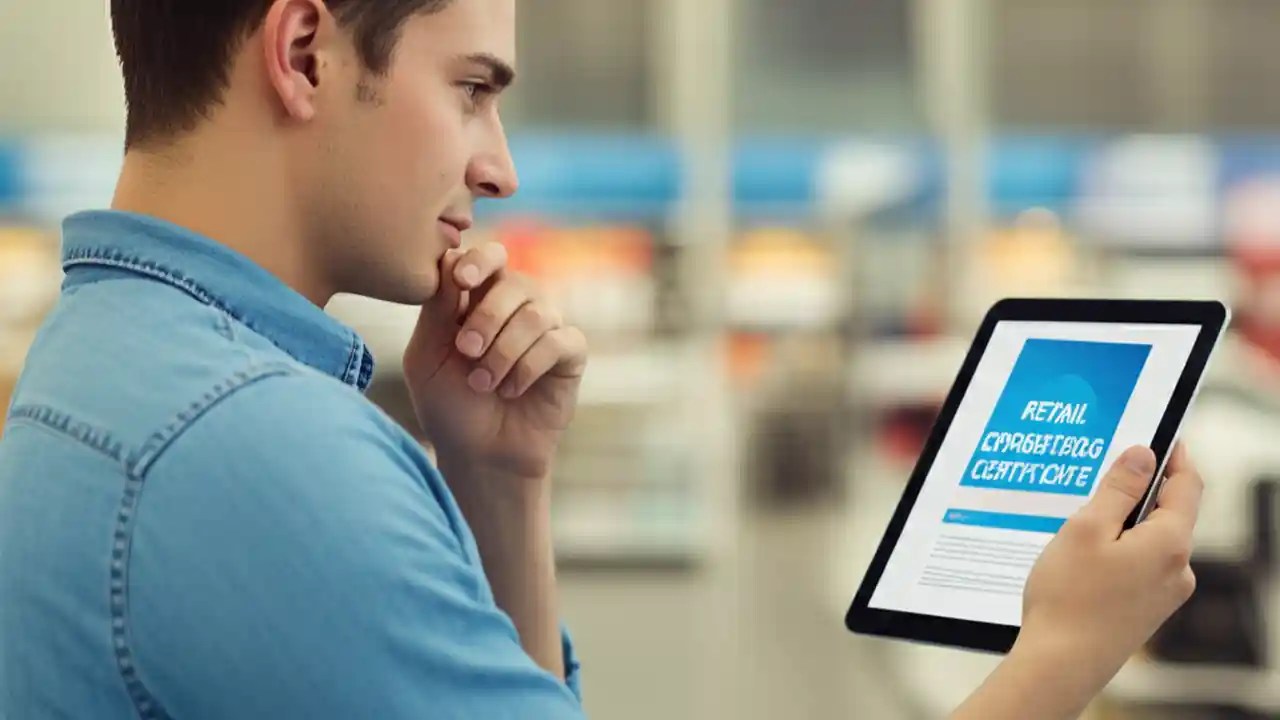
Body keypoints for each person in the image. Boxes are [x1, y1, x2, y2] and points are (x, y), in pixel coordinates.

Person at [0, 1, 1201, 718]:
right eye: (471, 89)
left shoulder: (102, 370)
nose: (499, 165)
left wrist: (501, 487)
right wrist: (1059, 656)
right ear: (305, 49)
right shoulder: (256, 450)